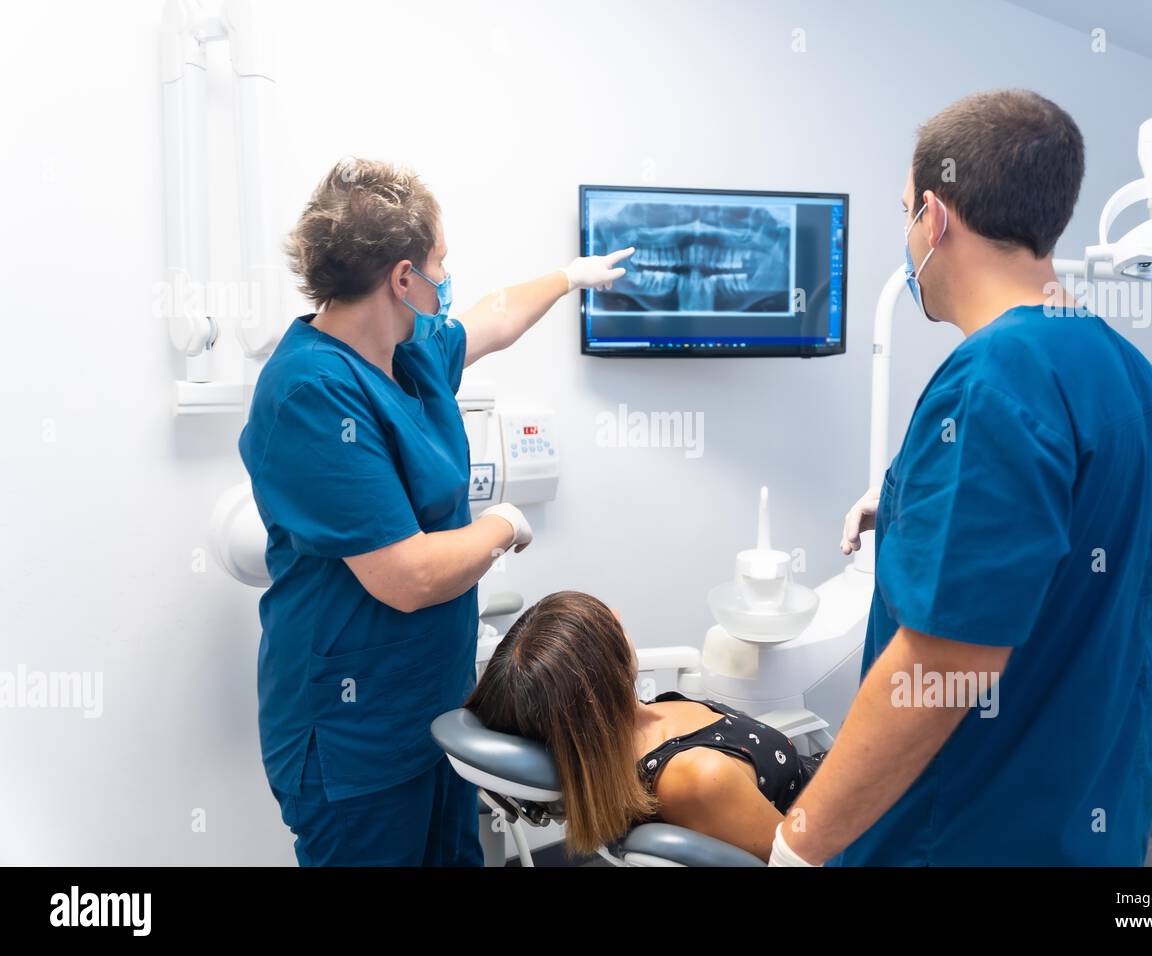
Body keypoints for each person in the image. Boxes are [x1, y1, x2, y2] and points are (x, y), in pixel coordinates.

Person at [771, 90, 1152, 866]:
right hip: (1087, 822)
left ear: (935, 215)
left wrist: (801, 843)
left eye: (903, 212)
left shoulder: (995, 380)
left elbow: (945, 664)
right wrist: (901, 502)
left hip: (964, 833)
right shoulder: (1132, 377)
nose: (906, 233)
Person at [238, 159, 632, 866]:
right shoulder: (312, 392)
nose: (447, 279)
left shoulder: (403, 351)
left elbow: (494, 316)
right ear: (401, 277)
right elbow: (408, 576)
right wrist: (501, 525)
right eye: (440, 262)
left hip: (432, 707)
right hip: (353, 731)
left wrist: (569, 276)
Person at [466, 591, 825, 861]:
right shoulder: (695, 775)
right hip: (844, 829)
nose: (619, 615)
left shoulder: (630, 725)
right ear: (607, 677)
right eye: (610, 626)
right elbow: (800, 859)